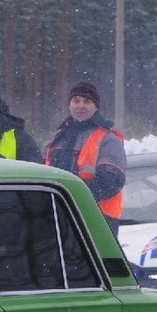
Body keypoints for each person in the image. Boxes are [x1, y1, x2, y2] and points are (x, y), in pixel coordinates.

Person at [42, 81, 127, 234]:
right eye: (76, 101)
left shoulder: (107, 138)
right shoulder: (56, 138)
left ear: (96, 106)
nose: (80, 106)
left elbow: (112, 181)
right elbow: (39, 173)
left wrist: (72, 194)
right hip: (57, 217)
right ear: (69, 104)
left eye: (87, 101)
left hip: (97, 219)